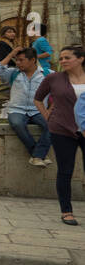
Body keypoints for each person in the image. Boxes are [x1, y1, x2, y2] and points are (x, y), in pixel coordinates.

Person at [34, 45, 85, 225]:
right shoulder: (53, 78)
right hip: (62, 130)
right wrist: (48, 117)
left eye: (67, 58)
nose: (62, 61)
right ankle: (66, 211)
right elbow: (38, 98)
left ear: (80, 59)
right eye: (61, 58)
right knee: (65, 171)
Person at [0, 47, 50, 166]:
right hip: (17, 110)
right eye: (16, 60)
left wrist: (50, 110)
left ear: (33, 60)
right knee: (17, 123)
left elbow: (59, 92)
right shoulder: (13, 73)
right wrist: (11, 54)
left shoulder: (47, 74)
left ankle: (37, 155)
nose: (18, 63)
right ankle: (38, 155)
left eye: (21, 60)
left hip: (38, 110)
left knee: (53, 125)